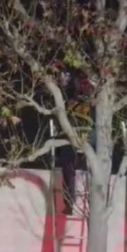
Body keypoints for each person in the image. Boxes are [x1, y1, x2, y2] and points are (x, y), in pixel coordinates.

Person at [57, 73, 95, 215]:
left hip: (74, 143)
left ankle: (69, 204)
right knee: (70, 174)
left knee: (69, 174)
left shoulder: (74, 104)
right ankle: (70, 204)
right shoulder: (81, 105)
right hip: (80, 143)